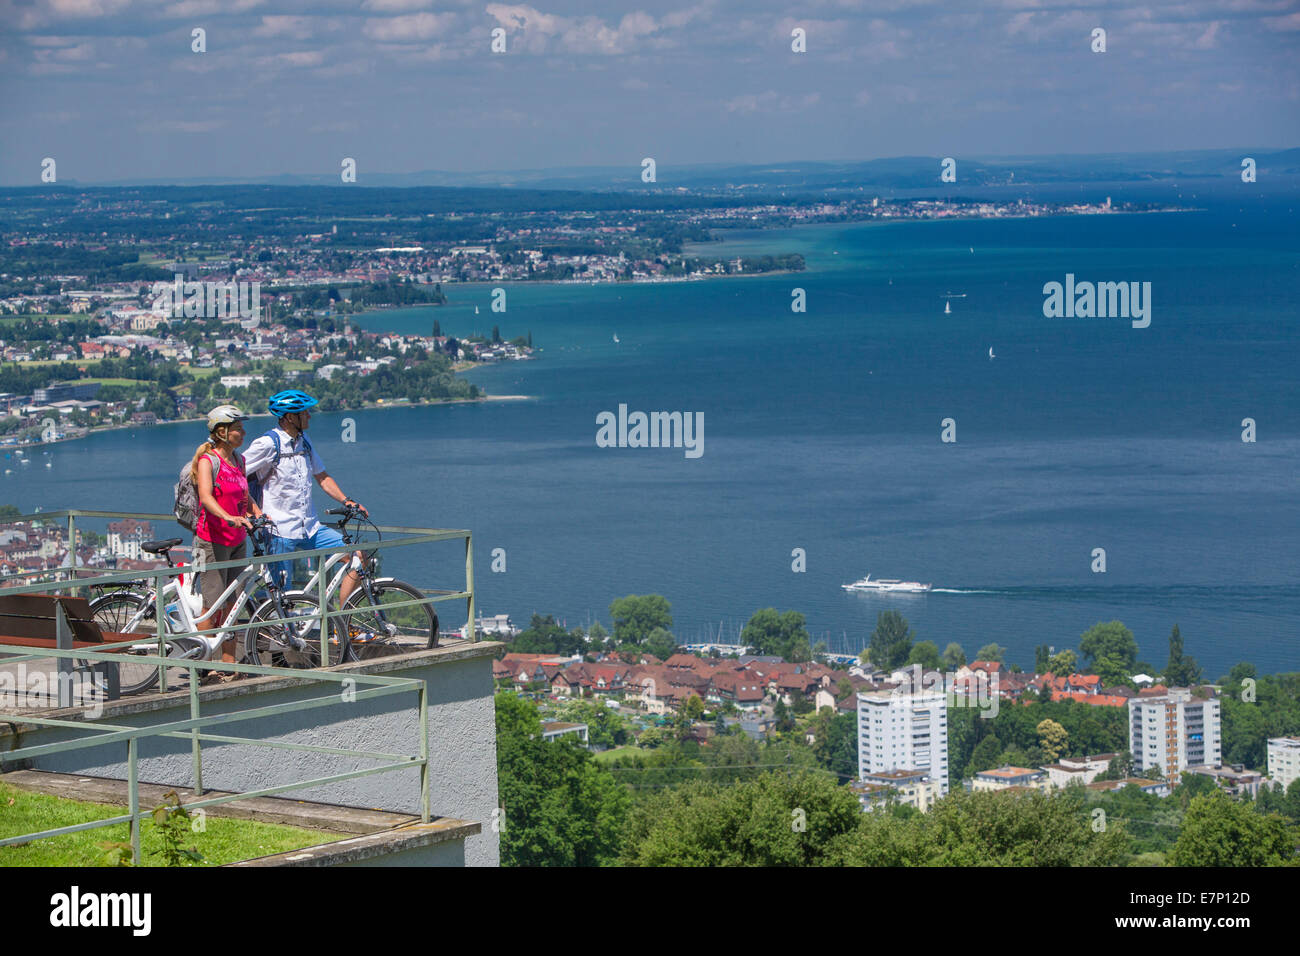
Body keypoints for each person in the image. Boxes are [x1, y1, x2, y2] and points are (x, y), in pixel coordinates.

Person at [243, 390, 367, 610]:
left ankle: (347, 620)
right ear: (290, 417)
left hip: (310, 527)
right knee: (283, 594)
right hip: (278, 530)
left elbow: (322, 476)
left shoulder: (304, 441)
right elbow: (235, 476)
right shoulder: (267, 444)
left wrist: (347, 501)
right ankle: (276, 633)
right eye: (305, 412)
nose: (309, 415)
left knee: (356, 557)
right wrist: (254, 511)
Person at [192, 404, 262, 683]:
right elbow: (206, 498)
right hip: (210, 541)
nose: (243, 432)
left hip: (236, 539)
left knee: (233, 603)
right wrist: (229, 517)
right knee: (212, 604)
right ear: (222, 432)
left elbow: (243, 494)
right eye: (238, 429)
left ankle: (229, 663)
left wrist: (256, 513)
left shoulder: (239, 461)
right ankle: (203, 664)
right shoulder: (208, 461)